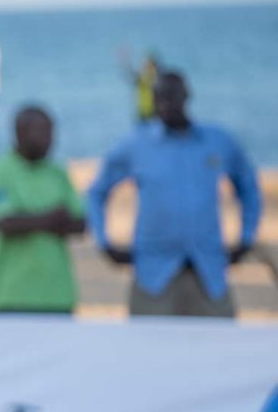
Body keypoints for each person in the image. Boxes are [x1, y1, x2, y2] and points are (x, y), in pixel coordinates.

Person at [87, 71, 262, 318]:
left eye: (172, 96)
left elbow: (248, 186)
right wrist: (104, 242)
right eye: (159, 97)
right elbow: (97, 191)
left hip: (209, 272)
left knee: (219, 349)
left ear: (187, 95)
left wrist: (246, 238)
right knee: (150, 350)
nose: (166, 103)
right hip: (154, 274)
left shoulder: (217, 141)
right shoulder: (137, 144)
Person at [0, 106, 86, 314]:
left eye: (50, 133)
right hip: (10, 295)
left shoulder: (57, 172)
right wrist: (51, 219)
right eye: (41, 133)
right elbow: (5, 223)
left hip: (58, 295)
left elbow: (80, 223)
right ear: (19, 132)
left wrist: (30, 219)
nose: (49, 140)